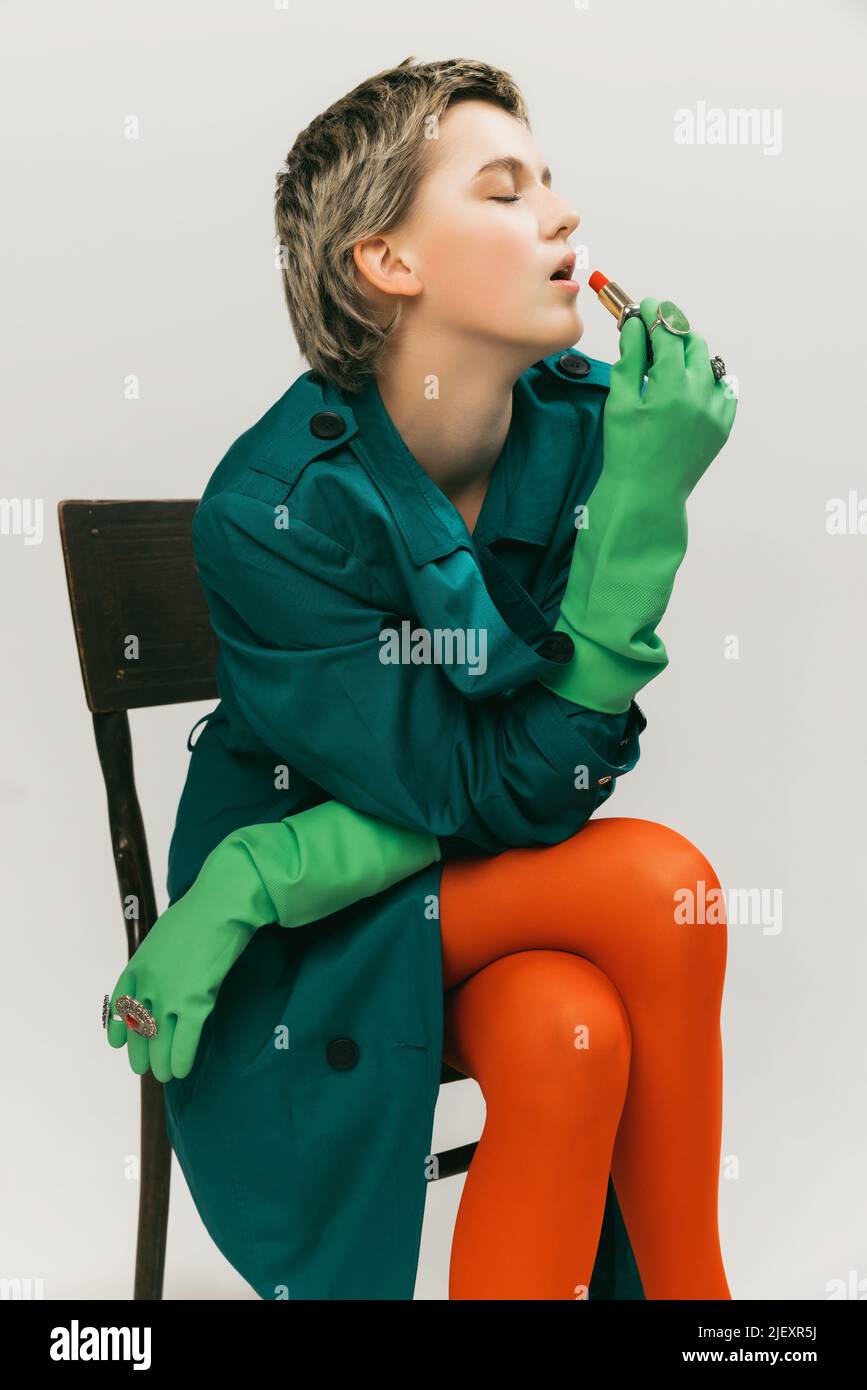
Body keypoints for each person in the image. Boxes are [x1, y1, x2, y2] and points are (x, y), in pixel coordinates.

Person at [106, 56, 737, 1300]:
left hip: (465, 882)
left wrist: (638, 498)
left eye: (550, 181)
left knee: (571, 1031)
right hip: (294, 946)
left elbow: (538, 780)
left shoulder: (591, 427)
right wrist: (252, 871)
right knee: (667, 888)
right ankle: (706, 1317)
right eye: (504, 192)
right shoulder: (272, 507)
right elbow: (480, 778)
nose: (560, 215)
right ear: (387, 262)